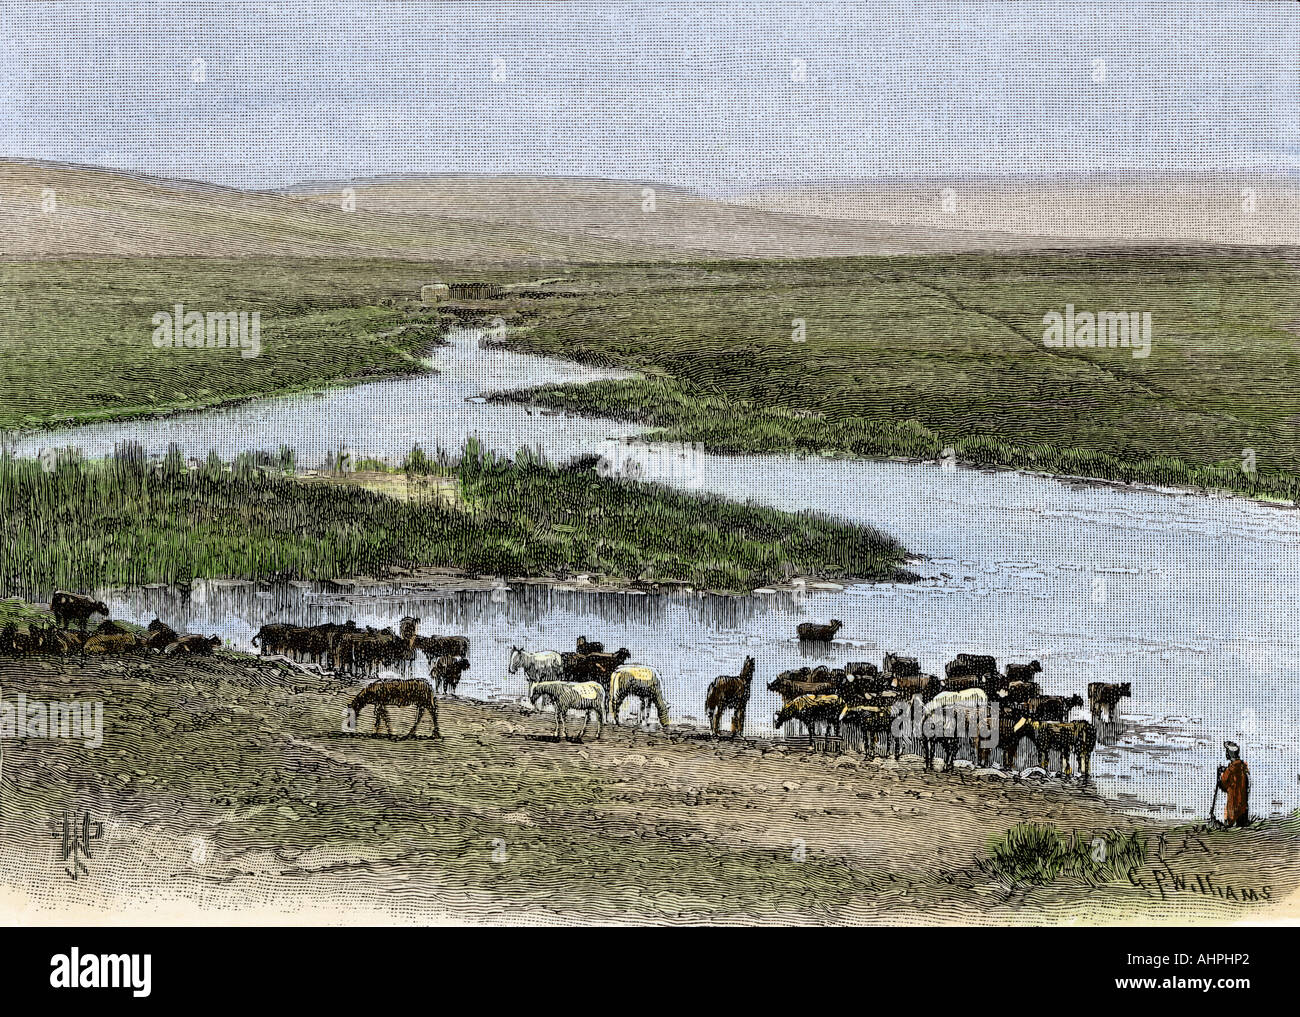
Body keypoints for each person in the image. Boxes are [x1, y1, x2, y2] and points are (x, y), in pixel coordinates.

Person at [1216, 741, 1250, 828]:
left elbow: (1224, 784)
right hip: (1243, 807)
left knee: (1231, 823)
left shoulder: (1230, 770)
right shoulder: (1243, 767)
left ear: (1229, 754)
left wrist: (1220, 775)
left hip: (1233, 806)